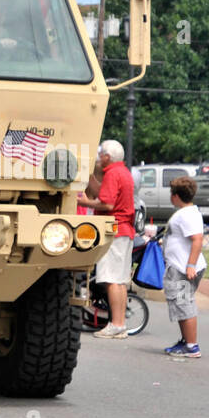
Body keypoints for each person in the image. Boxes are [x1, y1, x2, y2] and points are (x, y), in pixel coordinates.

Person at [75, 140, 135, 338]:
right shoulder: (123, 172)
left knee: (111, 279)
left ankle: (116, 324)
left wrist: (84, 201)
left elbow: (107, 204)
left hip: (114, 230)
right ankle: (120, 323)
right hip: (125, 230)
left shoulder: (112, 174)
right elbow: (107, 195)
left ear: (107, 157)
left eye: (101, 154)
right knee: (119, 281)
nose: (99, 157)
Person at [160, 175, 204, 357]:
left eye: (171, 193)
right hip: (178, 265)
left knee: (185, 304)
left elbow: (197, 240)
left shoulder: (187, 215)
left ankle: (192, 345)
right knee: (180, 304)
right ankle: (186, 340)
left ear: (176, 195)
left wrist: (190, 265)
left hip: (183, 267)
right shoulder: (187, 213)